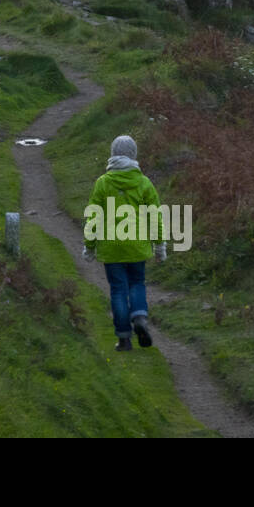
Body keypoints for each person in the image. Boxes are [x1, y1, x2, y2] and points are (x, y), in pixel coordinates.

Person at [82, 135, 167, 352]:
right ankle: (139, 316)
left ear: (112, 154)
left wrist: (89, 247)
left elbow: (93, 217)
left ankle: (124, 339)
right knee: (137, 283)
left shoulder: (103, 183)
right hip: (137, 246)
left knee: (118, 290)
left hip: (111, 249)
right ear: (134, 155)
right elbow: (155, 217)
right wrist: (160, 246)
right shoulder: (144, 183)